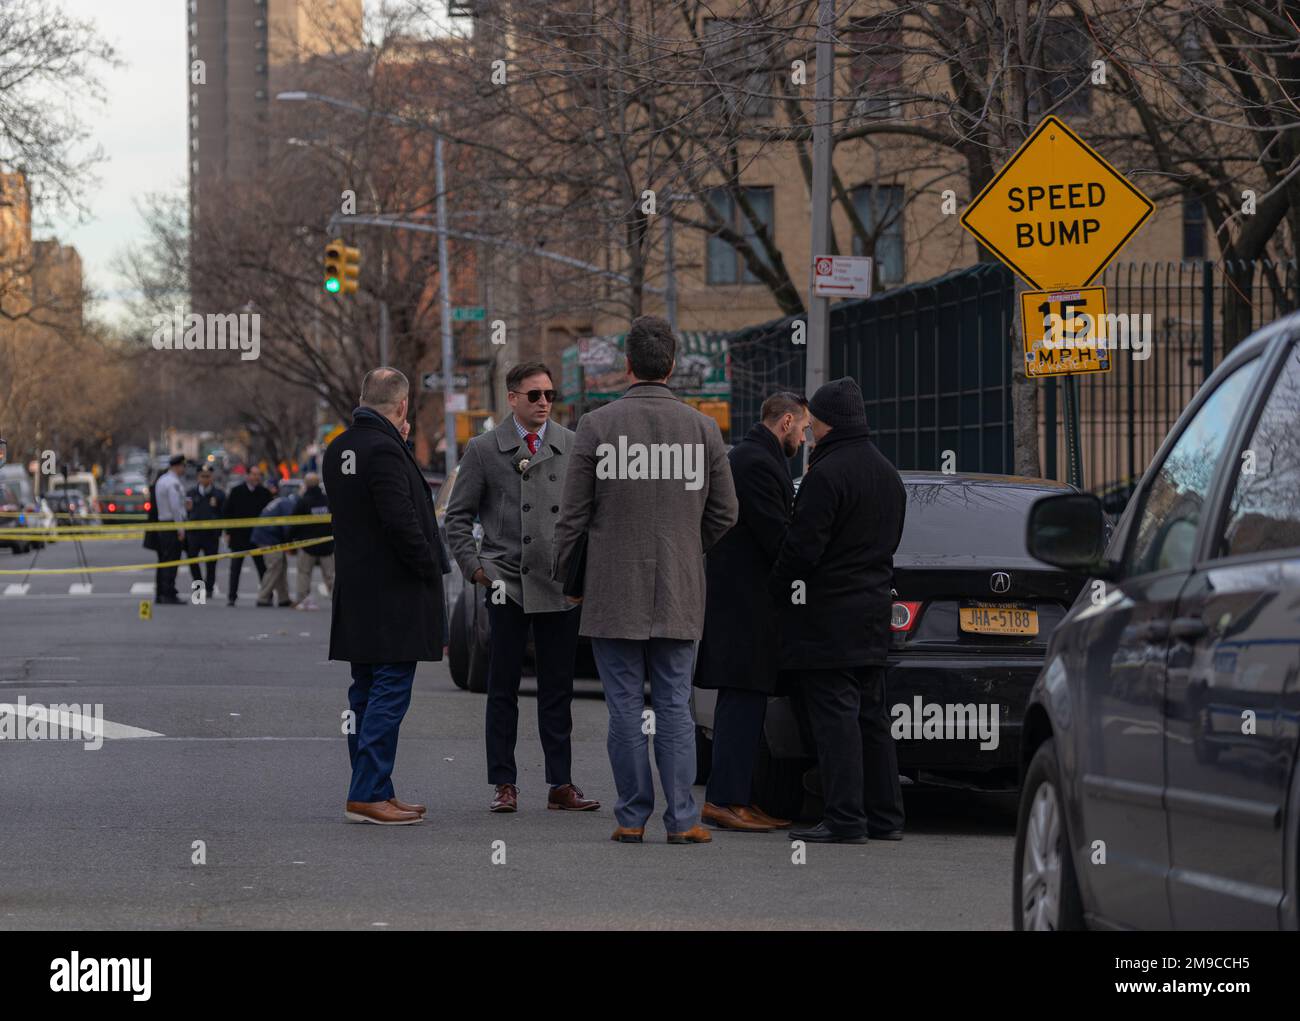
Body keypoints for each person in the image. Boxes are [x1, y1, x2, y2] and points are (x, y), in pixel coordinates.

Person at [552, 315, 737, 845]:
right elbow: (726, 513)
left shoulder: (597, 426)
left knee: (625, 708)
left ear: (627, 365)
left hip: (613, 589)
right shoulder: (703, 429)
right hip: (679, 587)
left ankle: (632, 815)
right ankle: (682, 819)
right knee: (676, 706)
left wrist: (569, 575)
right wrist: (686, 544)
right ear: (673, 365)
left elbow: (572, 515)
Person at [445, 361, 599, 815]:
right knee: (502, 687)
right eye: (534, 395)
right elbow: (457, 518)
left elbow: (590, 514)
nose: (544, 402)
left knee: (557, 689)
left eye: (549, 395)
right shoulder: (484, 449)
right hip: (504, 583)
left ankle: (560, 783)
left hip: (557, 583)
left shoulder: (572, 445)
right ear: (512, 398)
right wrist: (476, 568)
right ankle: (504, 782)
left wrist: (582, 573)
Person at [769, 377, 907, 844]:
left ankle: (845, 818)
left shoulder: (826, 475)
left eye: (815, 422)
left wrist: (779, 585)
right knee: (872, 718)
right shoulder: (887, 473)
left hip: (830, 618)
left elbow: (803, 548)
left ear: (828, 422)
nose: (810, 432)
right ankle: (886, 817)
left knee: (836, 720)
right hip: (873, 613)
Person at [324, 367, 450, 825]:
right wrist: (429, 568)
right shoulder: (385, 450)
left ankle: (377, 787)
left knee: (365, 693)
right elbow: (403, 523)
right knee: (389, 693)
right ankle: (366, 793)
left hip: (356, 591)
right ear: (401, 406)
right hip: (394, 593)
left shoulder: (339, 448)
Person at [695, 391, 809, 832]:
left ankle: (736, 797)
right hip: (747, 608)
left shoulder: (752, 458)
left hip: (742, 606)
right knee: (741, 704)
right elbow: (776, 537)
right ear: (784, 422)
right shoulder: (757, 464)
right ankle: (726, 800)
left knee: (742, 705)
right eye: (802, 428)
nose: (803, 437)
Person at [224, 465, 272, 606]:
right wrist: (228, 532)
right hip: (239, 537)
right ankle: (232, 597)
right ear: (247, 475)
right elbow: (227, 512)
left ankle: (266, 596)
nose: (256, 477)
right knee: (235, 569)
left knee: (262, 568)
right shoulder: (236, 491)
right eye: (253, 474)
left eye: (258, 475)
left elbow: (270, 514)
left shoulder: (264, 493)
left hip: (258, 537)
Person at [289, 472, 334, 610]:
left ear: (306, 484)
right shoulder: (328, 500)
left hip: (307, 544)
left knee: (304, 574)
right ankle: (339, 599)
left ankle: (302, 599)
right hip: (327, 545)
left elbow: (294, 523)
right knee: (331, 575)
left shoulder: (303, 501)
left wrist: (290, 540)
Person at [251, 480, 297, 608]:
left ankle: (283, 598)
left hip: (267, 535)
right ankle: (263, 597)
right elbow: (287, 527)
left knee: (281, 567)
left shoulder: (282, 502)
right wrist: (292, 545)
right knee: (275, 566)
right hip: (268, 538)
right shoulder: (290, 505)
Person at [185, 466, 226, 600]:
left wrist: (220, 530)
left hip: (211, 534)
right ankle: (199, 586)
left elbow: (223, 513)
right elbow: (186, 512)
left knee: (211, 563)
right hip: (194, 534)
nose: (205, 479)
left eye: (208, 476)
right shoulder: (190, 493)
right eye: (202, 476)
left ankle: (209, 588)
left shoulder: (219, 494)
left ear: (212, 477)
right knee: (193, 560)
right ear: (198, 477)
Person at [153, 455, 188, 605]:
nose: (184, 469)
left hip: (162, 524)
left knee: (163, 560)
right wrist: (180, 528)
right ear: (177, 466)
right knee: (172, 561)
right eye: (183, 466)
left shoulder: (161, 480)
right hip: (171, 525)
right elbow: (175, 507)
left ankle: (161, 592)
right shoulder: (173, 483)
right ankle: (168, 593)